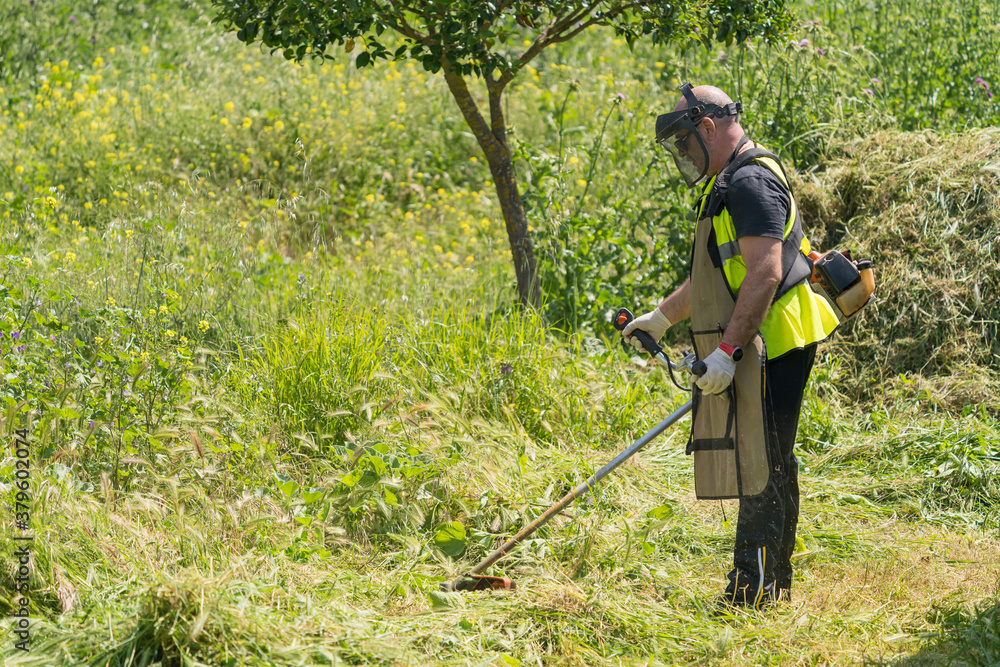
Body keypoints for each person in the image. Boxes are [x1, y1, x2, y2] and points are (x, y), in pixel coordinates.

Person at [621, 84, 839, 609]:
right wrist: (662, 316)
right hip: (761, 339)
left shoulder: (750, 183)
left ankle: (751, 594)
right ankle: (770, 586)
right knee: (771, 458)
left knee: (759, 463)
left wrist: (726, 351)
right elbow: (720, 272)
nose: (681, 154)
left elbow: (764, 275)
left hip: (777, 340)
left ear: (709, 127)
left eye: (684, 142)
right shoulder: (729, 181)